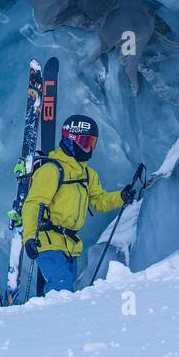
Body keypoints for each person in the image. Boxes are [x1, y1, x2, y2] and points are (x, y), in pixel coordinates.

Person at [21, 114, 136, 293]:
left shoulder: (88, 174)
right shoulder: (51, 170)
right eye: (84, 142)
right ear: (70, 139)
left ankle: (51, 319)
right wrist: (29, 237)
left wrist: (121, 197)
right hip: (48, 240)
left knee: (66, 290)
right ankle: (55, 321)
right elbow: (33, 203)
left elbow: (99, 201)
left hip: (70, 245)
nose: (88, 148)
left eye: (91, 143)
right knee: (61, 284)